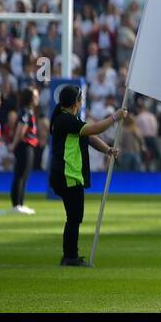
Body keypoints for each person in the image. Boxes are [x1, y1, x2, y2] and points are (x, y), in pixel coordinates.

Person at [48, 84, 123, 267]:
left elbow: (88, 137)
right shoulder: (65, 120)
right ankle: (70, 257)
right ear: (76, 102)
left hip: (69, 173)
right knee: (74, 217)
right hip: (68, 174)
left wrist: (107, 150)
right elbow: (93, 129)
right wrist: (114, 117)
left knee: (73, 217)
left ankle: (69, 256)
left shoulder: (68, 119)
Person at [8, 88, 40, 215]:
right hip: (24, 146)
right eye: (35, 96)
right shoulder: (26, 112)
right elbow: (21, 130)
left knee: (23, 175)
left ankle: (20, 203)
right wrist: (14, 145)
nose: (37, 99)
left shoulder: (28, 111)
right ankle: (16, 204)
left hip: (27, 146)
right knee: (20, 175)